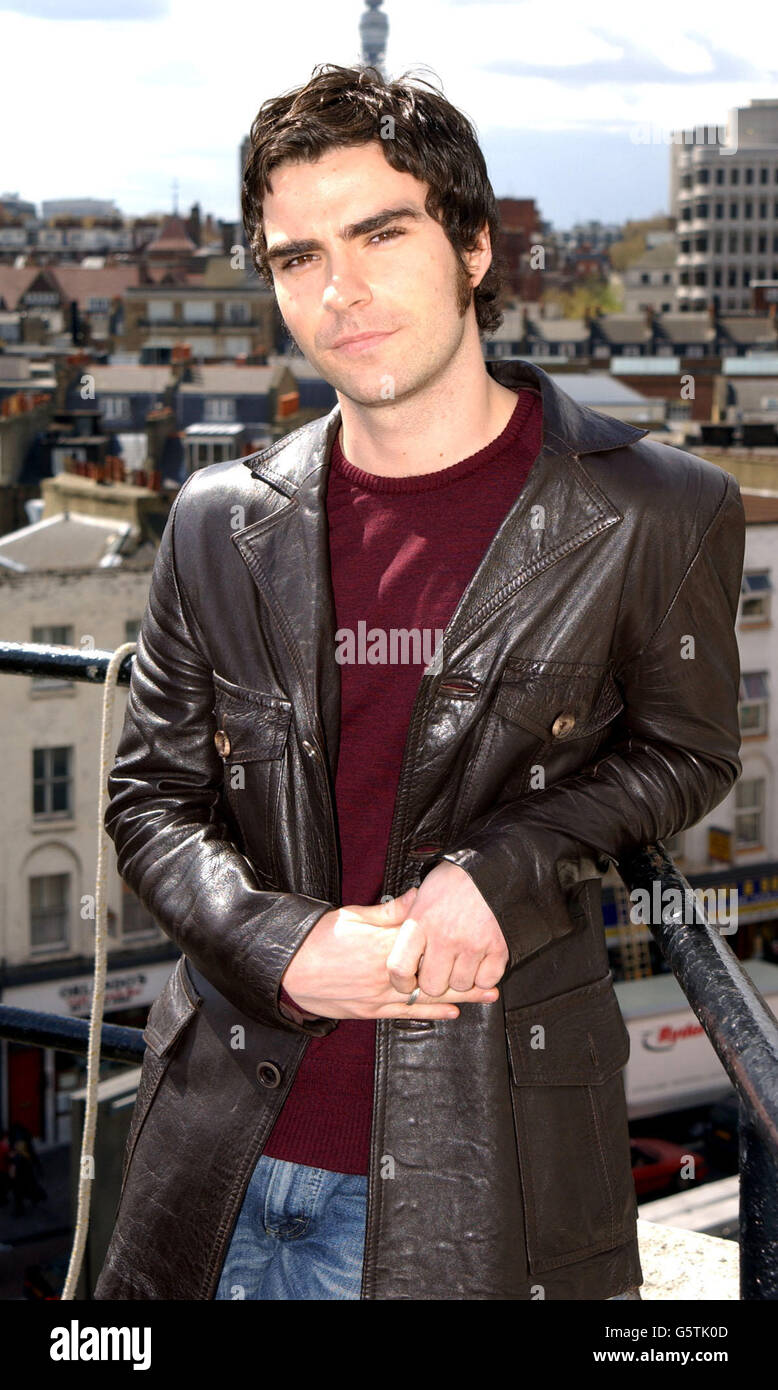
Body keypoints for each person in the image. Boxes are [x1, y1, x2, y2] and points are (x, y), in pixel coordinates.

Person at [94, 63, 744, 1301]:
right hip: (211, 1152)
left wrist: (498, 871)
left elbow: (686, 751)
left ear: (474, 249)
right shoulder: (214, 519)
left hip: (476, 1163)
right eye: (296, 258)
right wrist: (284, 945)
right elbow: (148, 801)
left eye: (380, 234)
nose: (340, 291)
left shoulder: (657, 511)